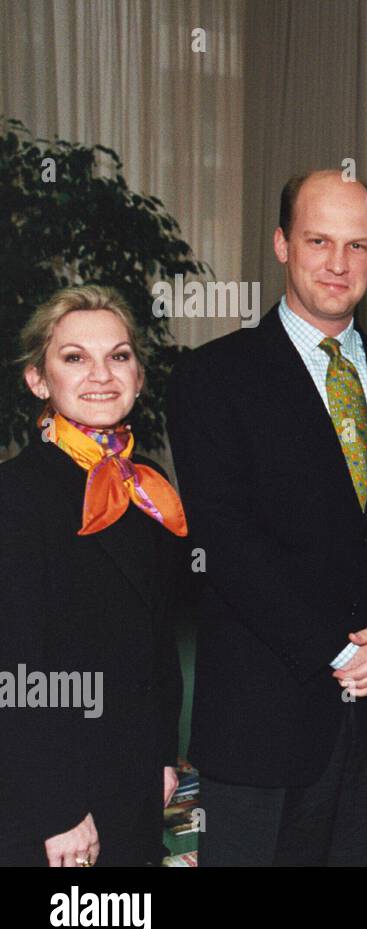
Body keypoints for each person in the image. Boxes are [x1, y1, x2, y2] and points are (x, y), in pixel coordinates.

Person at [166, 170, 367, 866]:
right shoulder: (212, 378)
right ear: (281, 244)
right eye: (319, 240)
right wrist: (342, 649)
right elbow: (227, 545)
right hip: (265, 724)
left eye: (357, 245)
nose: (338, 263)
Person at [0, 286, 186, 866]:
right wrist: (56, 810)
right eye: (75, 357)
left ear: (138, 374)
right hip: (53, 804)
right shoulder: (15, 496)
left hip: (134, 783)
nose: (102, 374)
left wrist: (162, 756)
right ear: (38, 380)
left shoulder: (147, 484)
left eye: (120, 355)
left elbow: (159, 640)